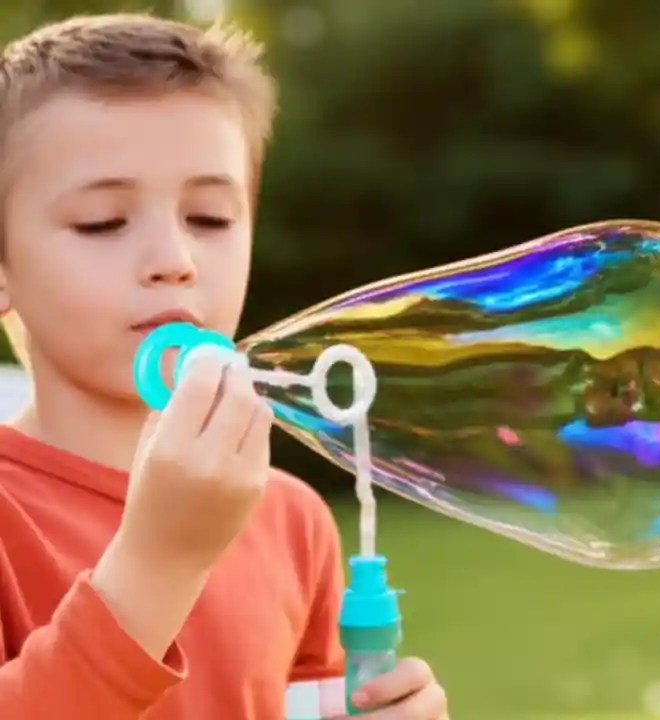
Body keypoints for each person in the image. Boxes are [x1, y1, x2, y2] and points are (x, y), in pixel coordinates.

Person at [0, 12, 448, 720]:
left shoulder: (294, 522)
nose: (175, 261)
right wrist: (162, 560)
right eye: (103, 221)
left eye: (209, 217)